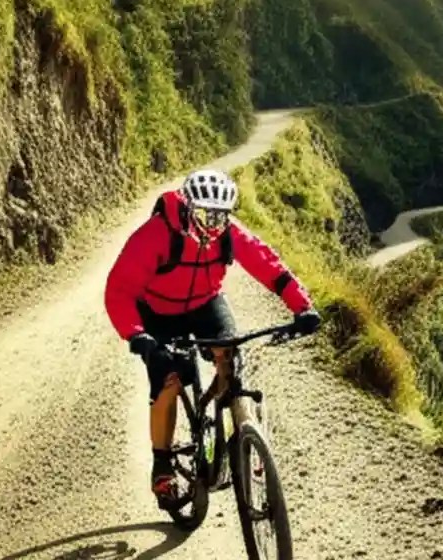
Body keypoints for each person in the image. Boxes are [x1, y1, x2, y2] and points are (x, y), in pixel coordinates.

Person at [104, 168, 321, 507]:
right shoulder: (156, 235)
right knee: (168, 382)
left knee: (230, 355)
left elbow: (268, 265)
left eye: (222, 216)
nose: (214, 224)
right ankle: (162, 465)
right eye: (206, 214)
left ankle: (246, 431)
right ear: (189, 208)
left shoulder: (227, 234)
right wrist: (137, 335)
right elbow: (119, 290)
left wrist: (302, 307)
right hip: (159, 312)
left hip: (205, 302)